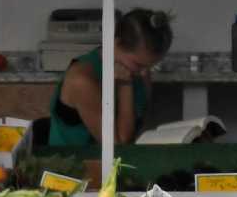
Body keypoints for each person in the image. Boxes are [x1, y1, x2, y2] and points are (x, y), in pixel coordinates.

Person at [46, 8, 174, 149]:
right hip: (72, 165)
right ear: (115, 43)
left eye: (151, 66)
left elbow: (140, 125)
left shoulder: (140, 71)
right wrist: (125, 85)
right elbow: (118, 147)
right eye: (138, 64)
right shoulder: (81, 80)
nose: (144, 73)